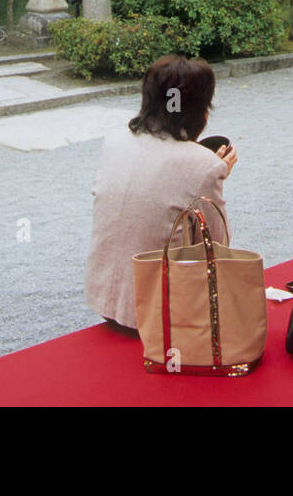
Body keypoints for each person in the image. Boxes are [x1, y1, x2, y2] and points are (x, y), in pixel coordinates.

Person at [85, 55, 237, 330]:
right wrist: (217, 174)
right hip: (160, 315)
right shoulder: (204, 165)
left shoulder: (114, 142)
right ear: (201, 110)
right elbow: (219, 247)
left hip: (105, 300)